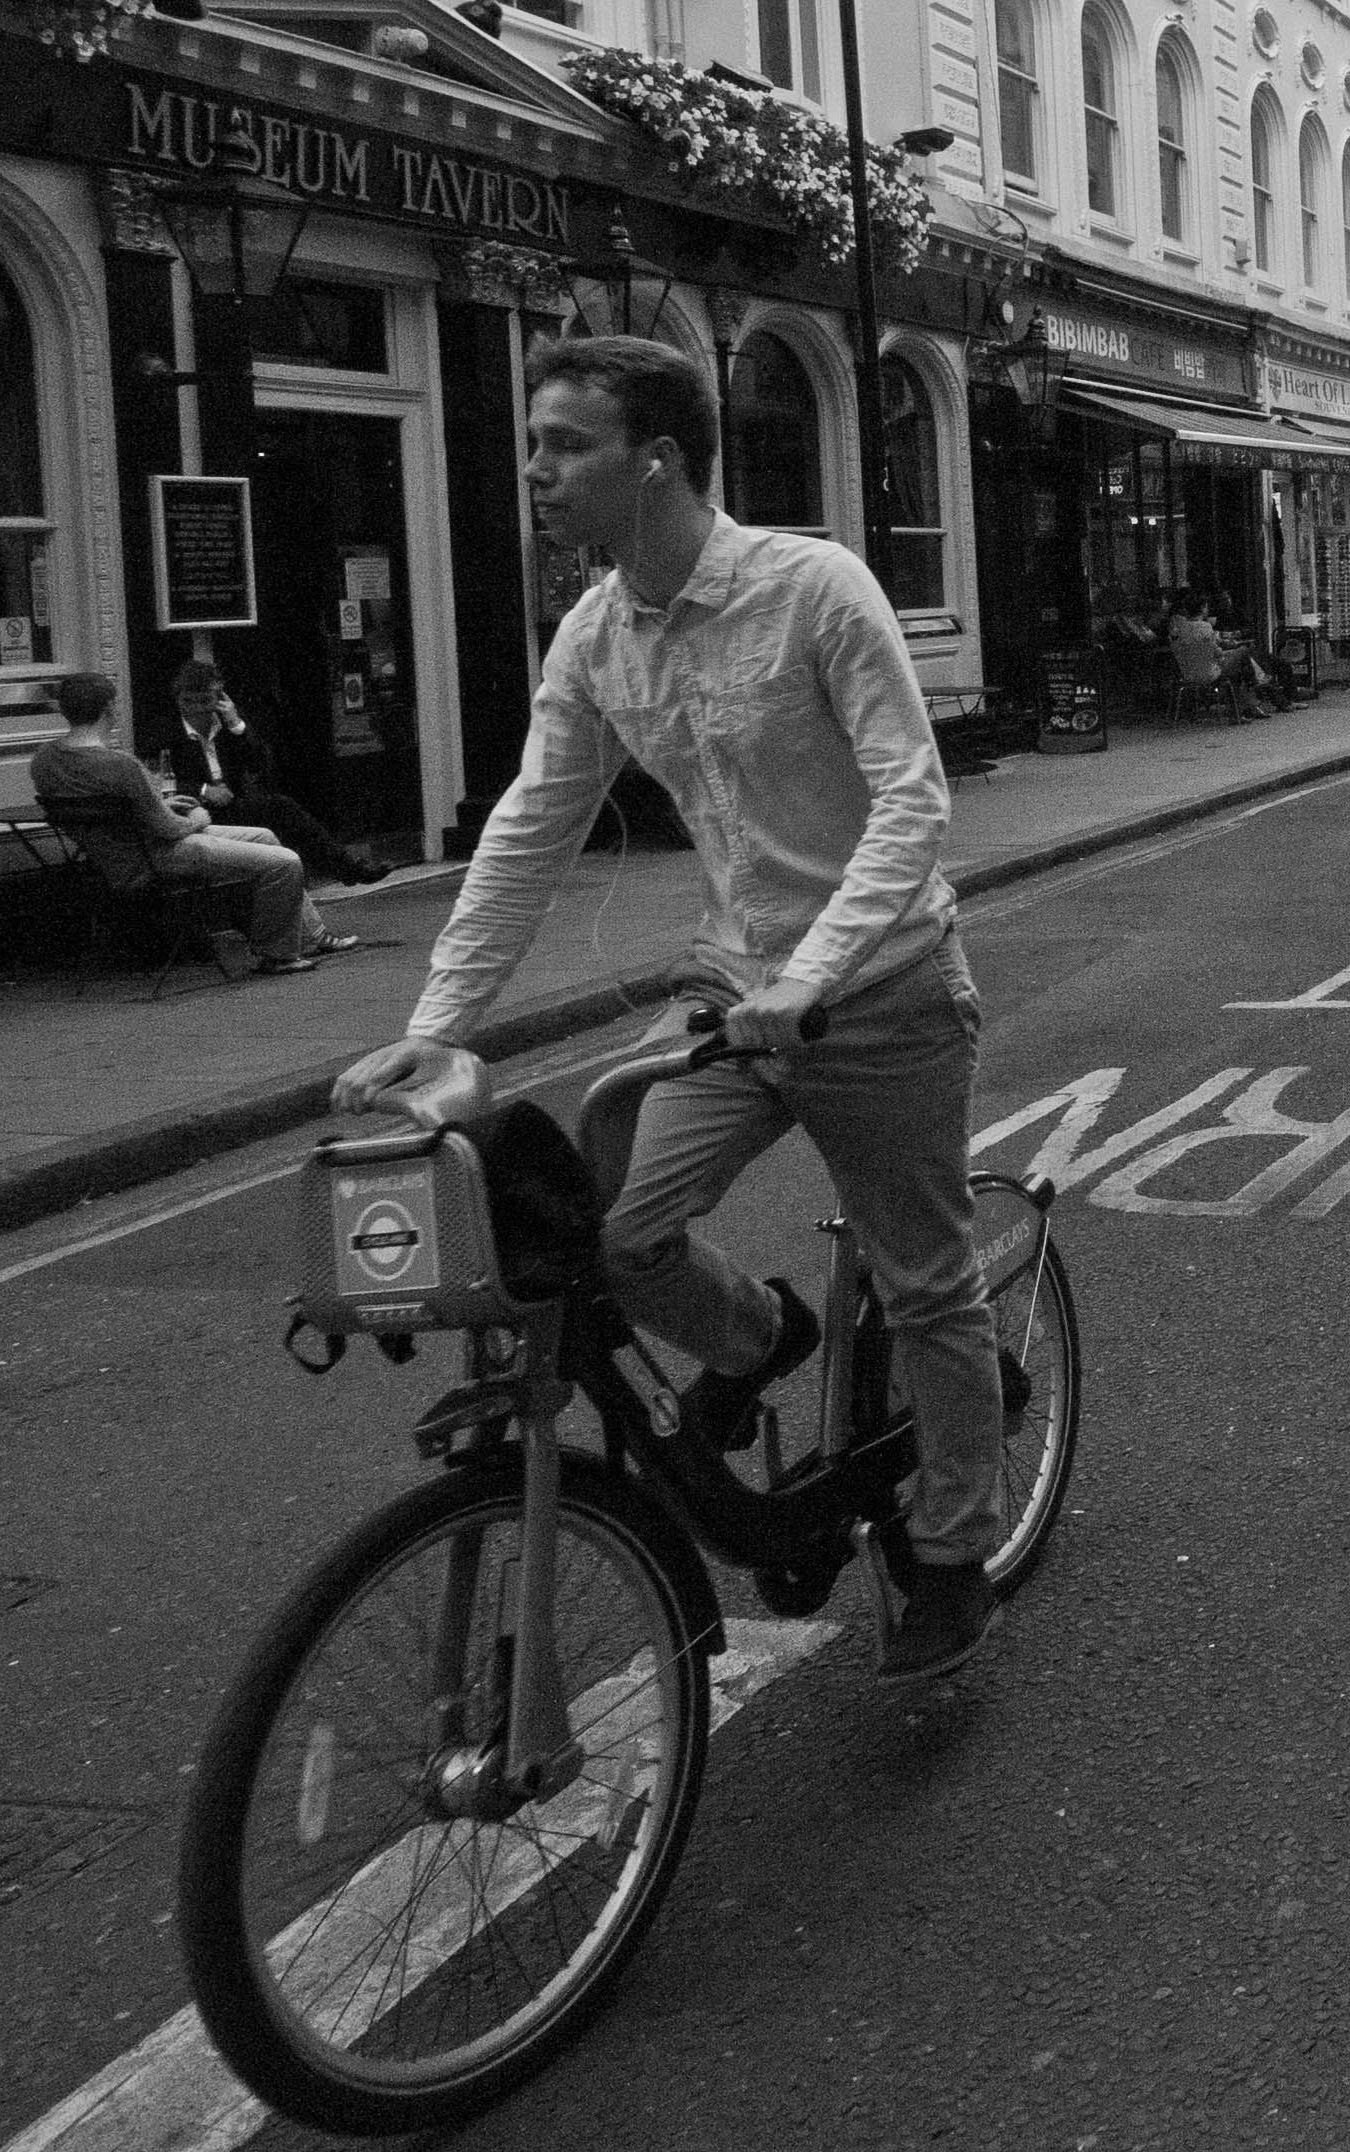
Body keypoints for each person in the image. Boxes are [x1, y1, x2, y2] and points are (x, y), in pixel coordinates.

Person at [334, 335, 1006, 1686]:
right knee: (621, 1236)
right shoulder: (593, 631)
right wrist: (445, 1019)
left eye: (563, 443)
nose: (535, 470)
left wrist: (816, 974)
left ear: (657, 461)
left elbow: (914, 799)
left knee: (928, 1284)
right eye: (531, 441)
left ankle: (950, 1549)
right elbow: (532, 824)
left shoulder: (815, 590)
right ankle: (765, 1335)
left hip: (876, 994)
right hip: (732, 992)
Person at [31, 672, 354, 978]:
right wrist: (199, 815)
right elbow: (169, 830)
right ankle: (278, 955)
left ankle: (311, 936)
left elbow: (118, 810)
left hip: (115, 852)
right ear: (109, 709)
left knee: (265, 835)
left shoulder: (44, 760)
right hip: (154, 855)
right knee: (286, 861)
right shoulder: (120, 765)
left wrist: (161, 805)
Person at [152, 658, 388, 885]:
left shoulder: (227, 725)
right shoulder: (166, 731)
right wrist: (204, 790)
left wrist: (237, 726)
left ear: (220, 698)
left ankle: (346, 868)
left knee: (282, 808)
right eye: (187, 702)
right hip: (195, 814)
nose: (195, 710)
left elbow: (259, 764)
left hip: (233, 807)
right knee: (274, 830)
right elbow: (156, 780)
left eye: (204, 701)